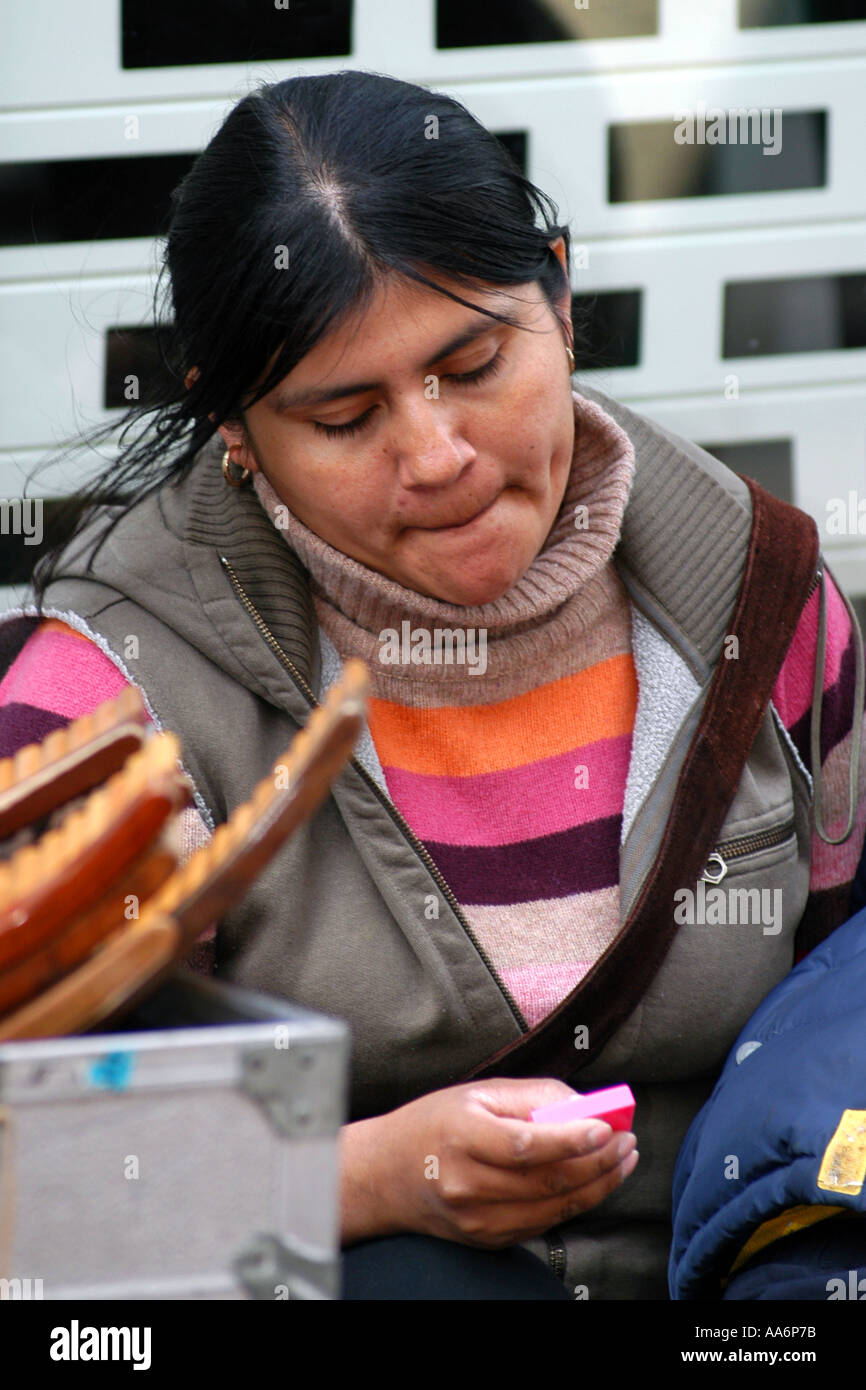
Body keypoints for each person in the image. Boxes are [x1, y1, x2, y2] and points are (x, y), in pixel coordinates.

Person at [1, 69, 864, 1301]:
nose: (438, 455)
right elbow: (34, 1179)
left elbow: (838, 1010)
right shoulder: (112, 710)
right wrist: (364, 1178)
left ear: (560, 297)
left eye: (470, 363)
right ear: (234, 427)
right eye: (345, 418)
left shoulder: (762, 599)